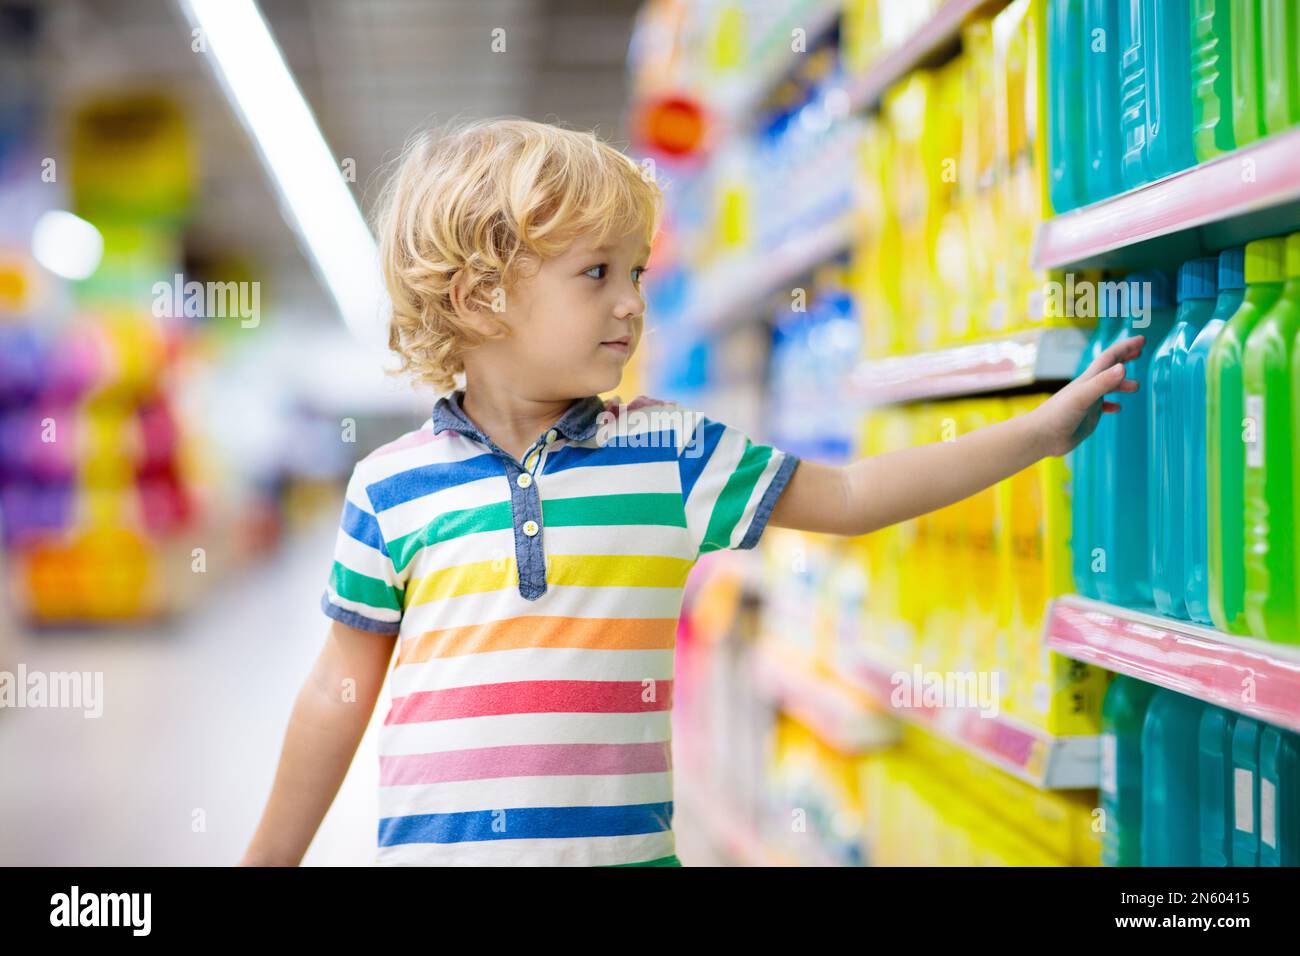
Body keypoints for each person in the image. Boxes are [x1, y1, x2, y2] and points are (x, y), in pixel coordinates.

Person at [239, 117, 1142, 867]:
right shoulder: (390, 489)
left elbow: (855, 492)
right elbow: (337, 690)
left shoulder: (671, 455)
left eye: (636, 272)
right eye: (598, 273)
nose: (633, 304)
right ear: (481, 298)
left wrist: (1040, 430)